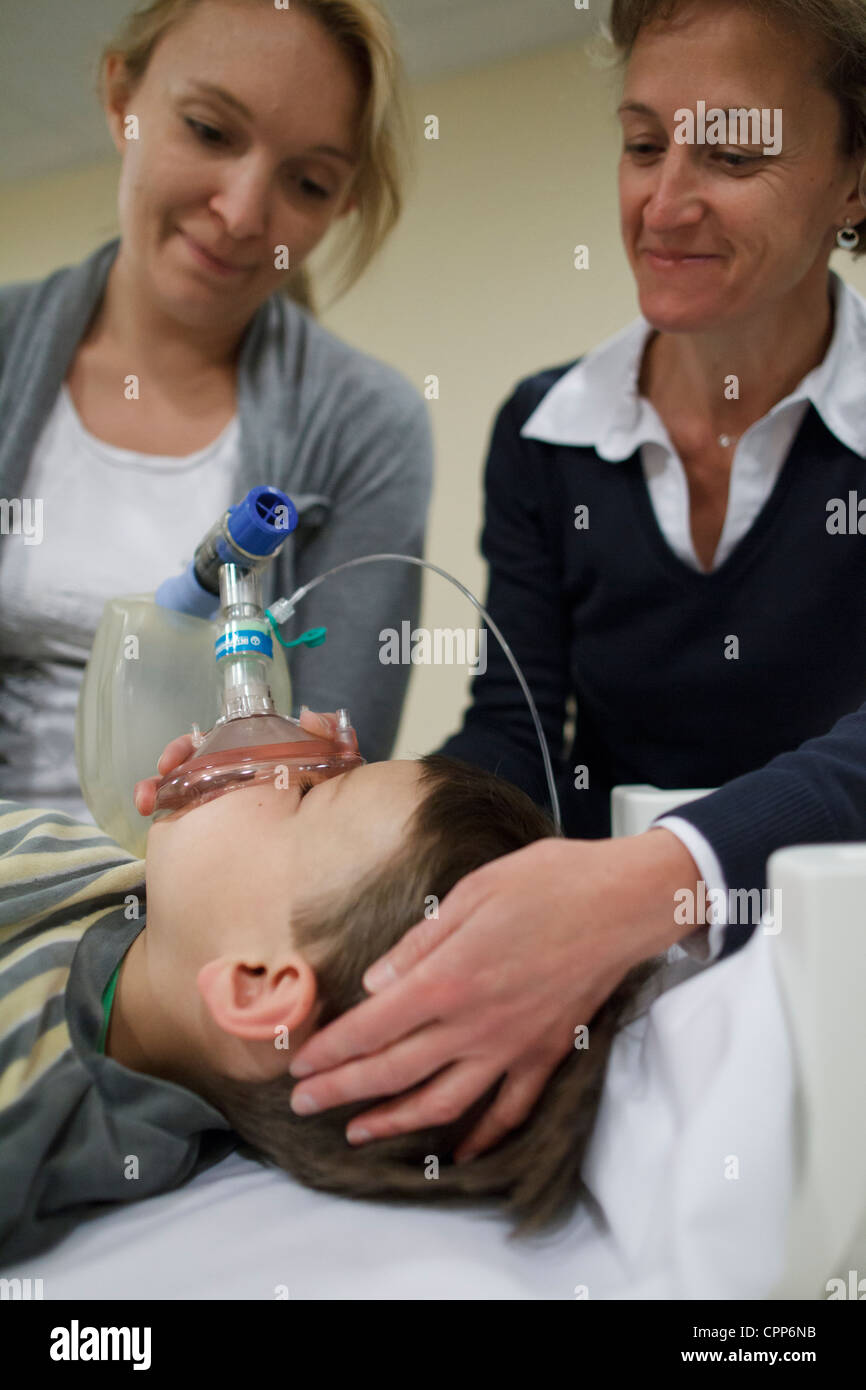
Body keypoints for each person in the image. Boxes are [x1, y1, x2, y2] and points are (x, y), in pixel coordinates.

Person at [264, 0, 866, 1160]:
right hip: (600, 971)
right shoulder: (544, 433)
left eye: (733, 154)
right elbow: (520, 731)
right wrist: (366, 812)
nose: (665, 203)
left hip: (824, 951)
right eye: (643, 145)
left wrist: (657, 875)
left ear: (851, 181)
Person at [0, 0, 432, 822]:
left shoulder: (368, 425)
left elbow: (323, 793)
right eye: (208, 130)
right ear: (121, 98)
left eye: (306, 183)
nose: (240, 214)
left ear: (341, 206)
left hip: (210, 909)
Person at [0, 752, 661, 1265]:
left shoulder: (27, 1117)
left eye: (311, 792)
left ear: (256, 984)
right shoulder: (149, 905)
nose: (290, 752)